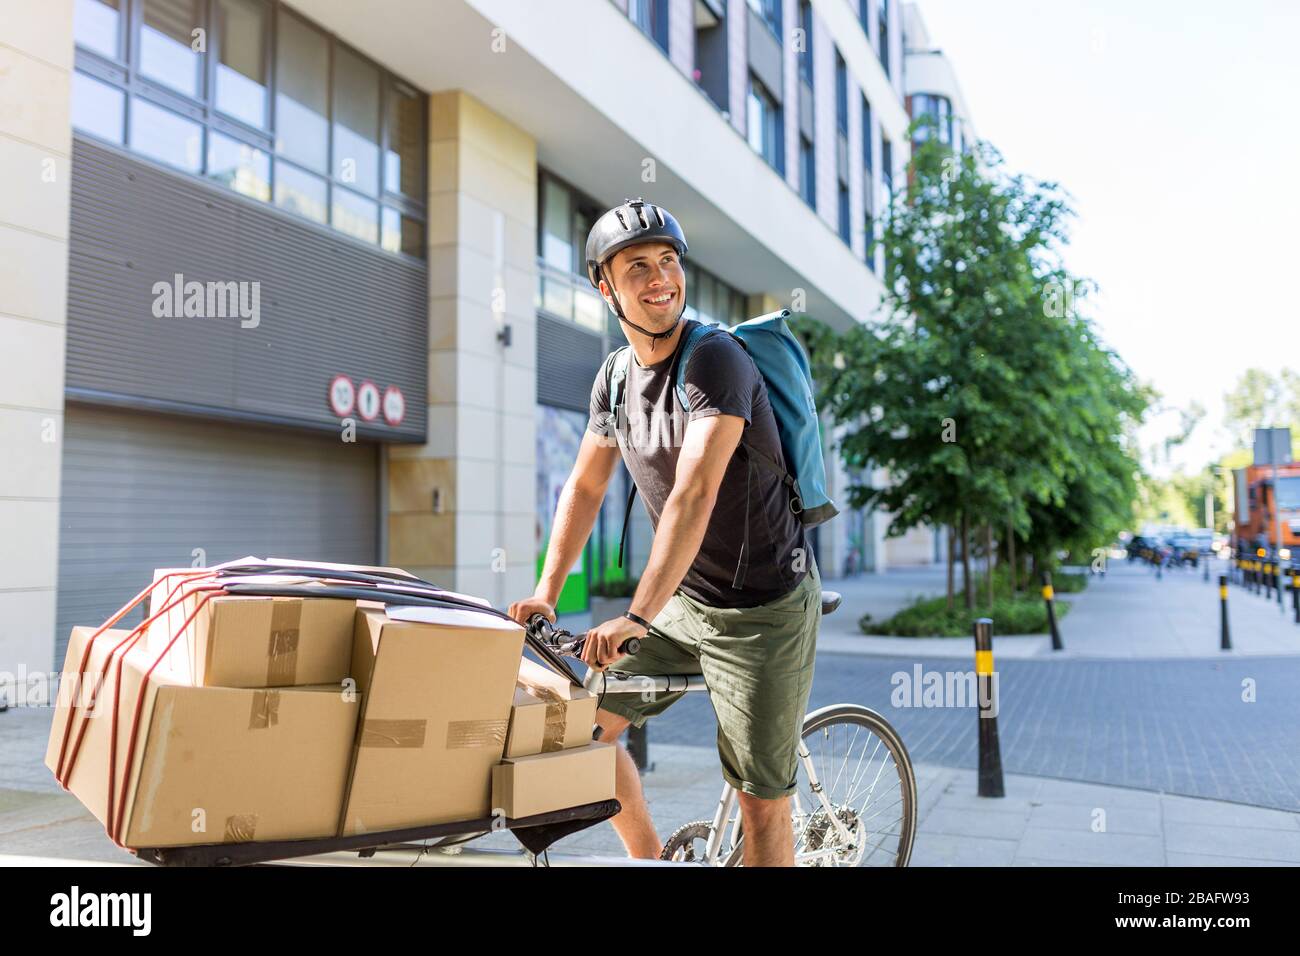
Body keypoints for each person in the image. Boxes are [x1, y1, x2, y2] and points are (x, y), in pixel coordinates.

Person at [508, 198, 821, 866]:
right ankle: (651, 861)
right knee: (583, 731)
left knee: (760, 803)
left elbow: (695, 490)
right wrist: (546, 589)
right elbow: (587, 485)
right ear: (605, 285)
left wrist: (637, 615)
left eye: (669, 262)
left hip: (763, 607)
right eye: (639, 267)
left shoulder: (715, 361)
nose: (660, 279)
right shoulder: (616, 378)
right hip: (688, 604)